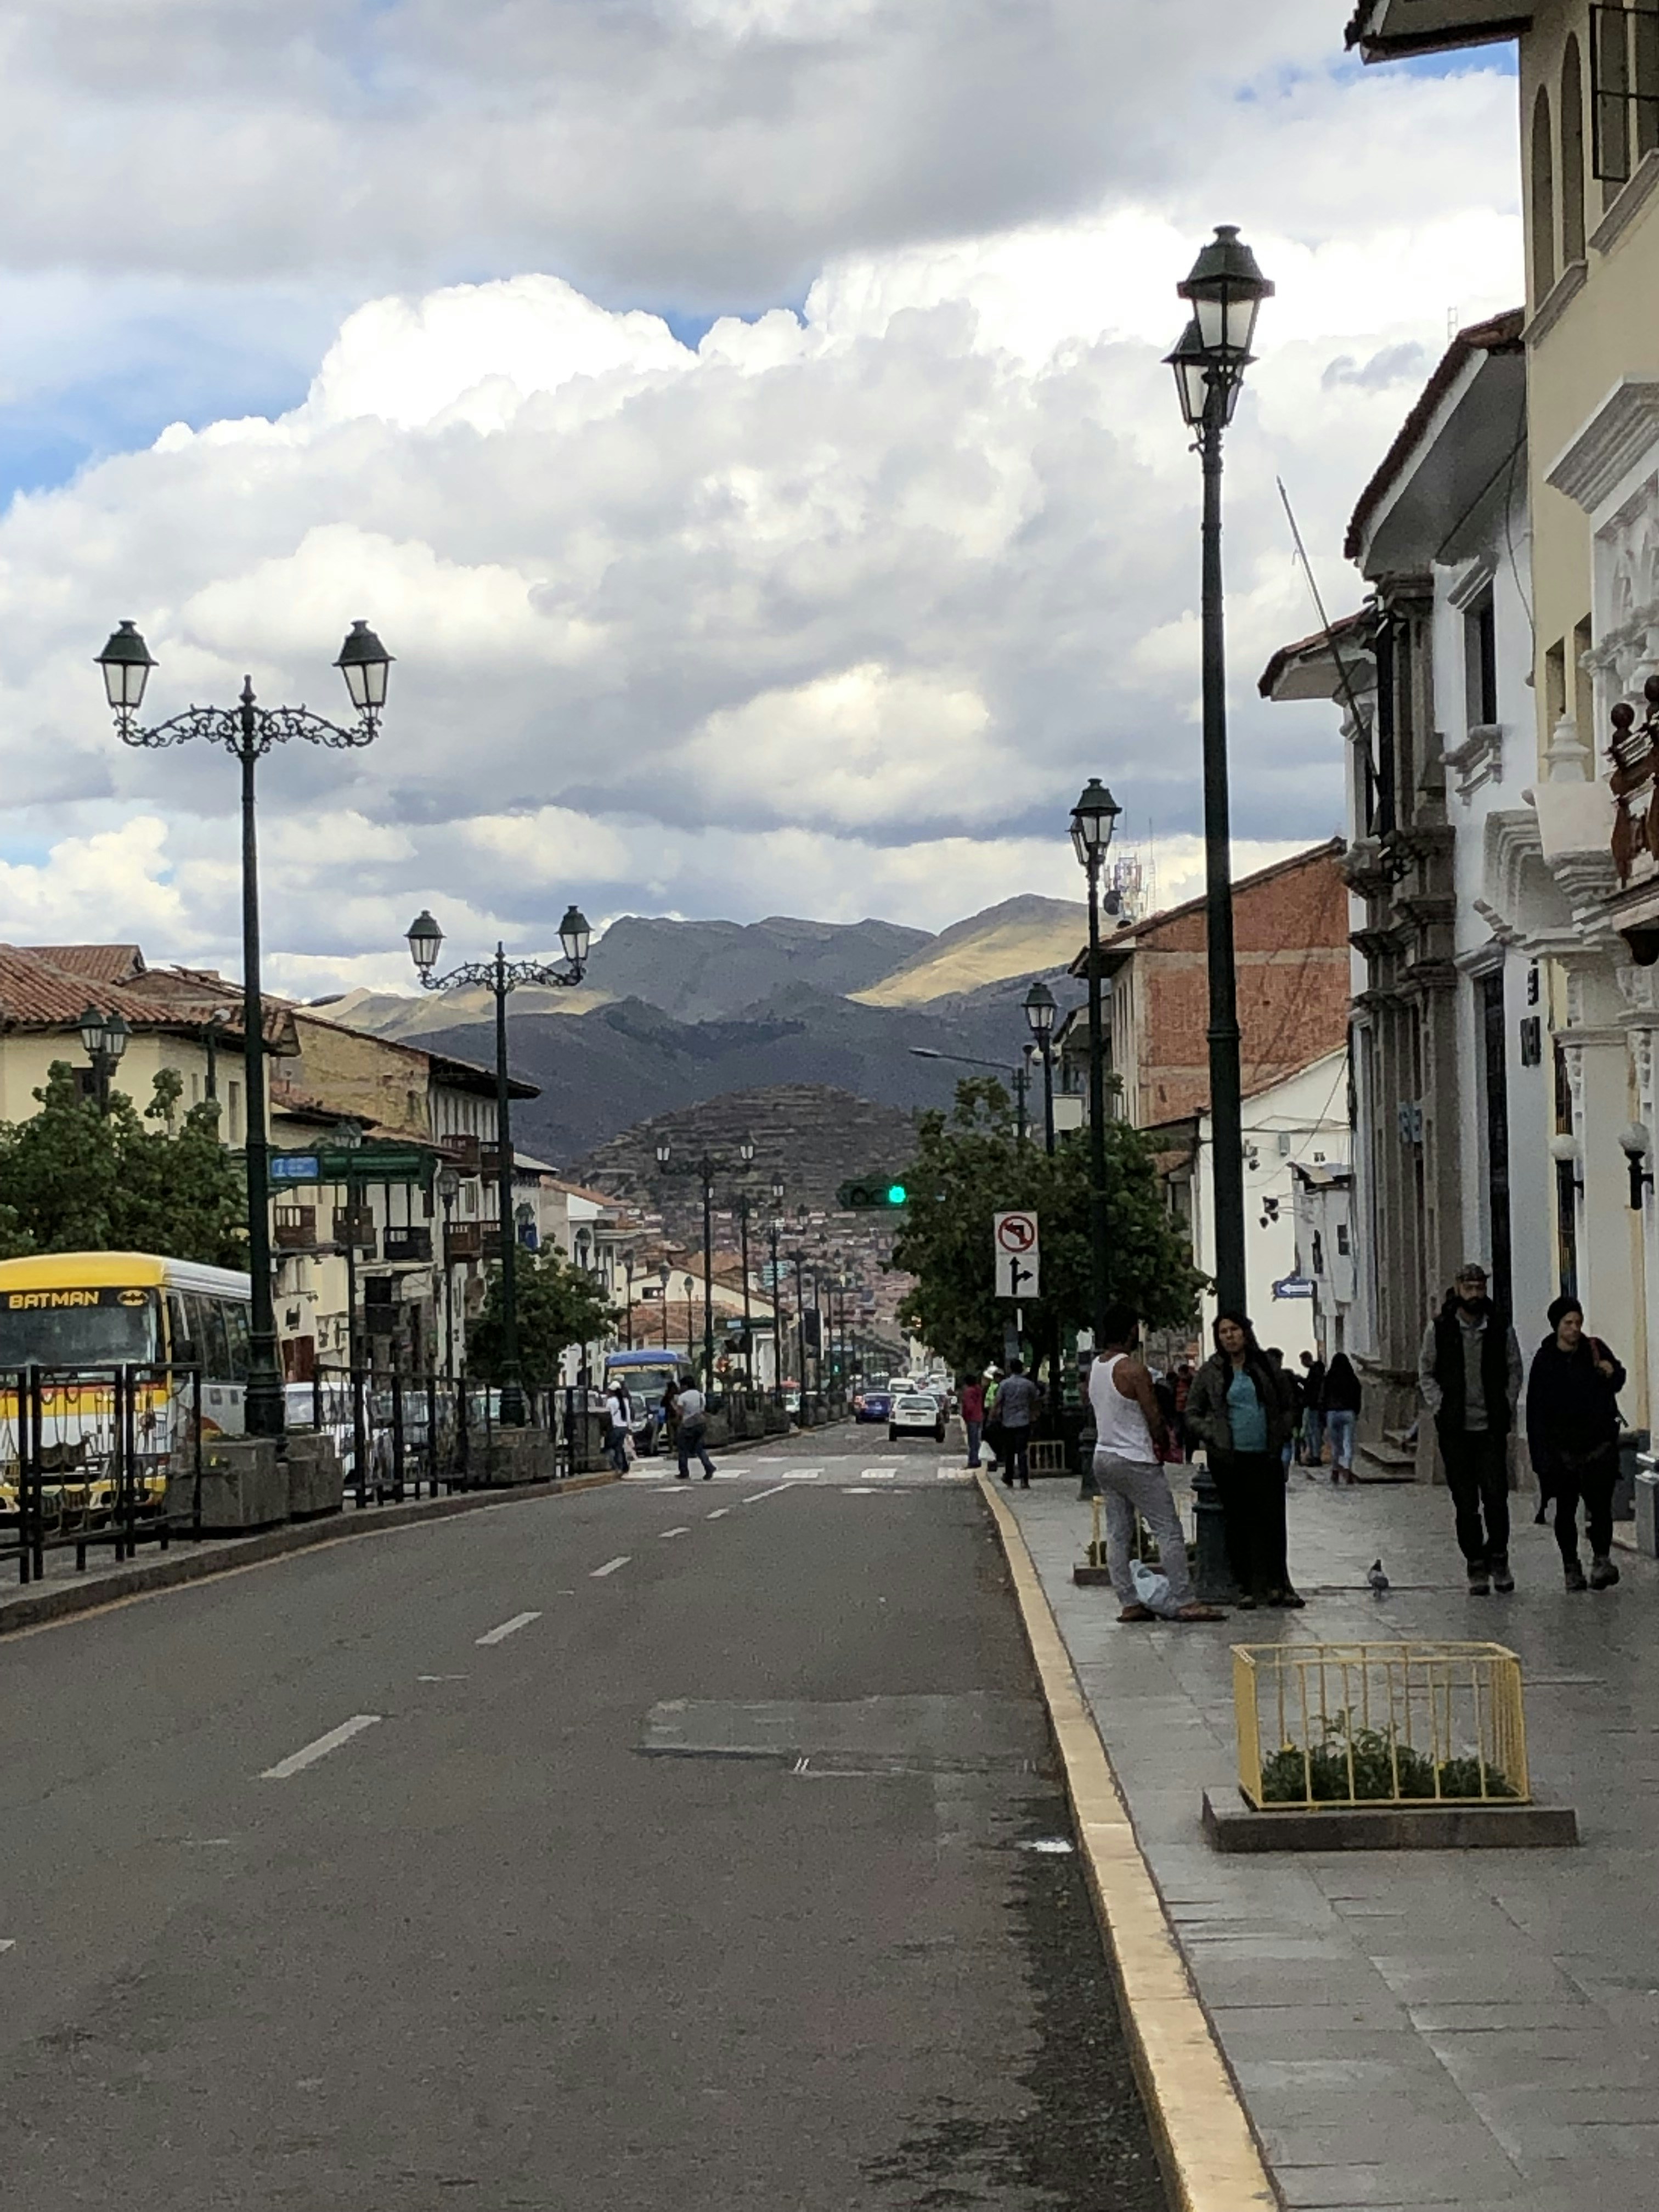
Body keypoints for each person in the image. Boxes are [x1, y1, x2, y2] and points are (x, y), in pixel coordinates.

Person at [1087, 1305, 1225, 1623]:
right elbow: (1153, 1415)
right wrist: (1164, 1442)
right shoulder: (1134, 1370)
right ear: (1131, 1331)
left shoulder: (1097, 1367)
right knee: (1168, 1529)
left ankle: (1128, 1601)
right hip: (1135, 1458)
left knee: (1119, 1532)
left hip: (1104, 1455)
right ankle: (1185, 1599)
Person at [1185, 1312, 1303, 1609]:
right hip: (1230, 1459)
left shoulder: (1265, 1366)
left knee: (1272, 1521)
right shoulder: (1211, 1372)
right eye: (1223, 1332)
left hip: (1267, 1455)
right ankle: (1247, 1586)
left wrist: (1283, 1430)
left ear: (1245, 1332)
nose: (1229, 1336)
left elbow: (1289, 1403)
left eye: (1234, 1330)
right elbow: (1192, 1411)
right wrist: (1212, 1434)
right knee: (1239, 1522)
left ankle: (1278, 1585)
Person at [1419, 1263, 1523, 1595]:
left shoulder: (1499, 1327)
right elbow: (1426, 1372)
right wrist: (1440, 1405)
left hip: (1490, 1428)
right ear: (1459, 1289)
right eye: (1469, 1288)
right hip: (1456, 1431)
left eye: (1480, 1288)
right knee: (1466, 1502)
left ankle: (1499, 1556)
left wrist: (1506, 1404)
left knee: (1496, 1497)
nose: (1475, 1295)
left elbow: (1514, 1368)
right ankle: (1475, 1563)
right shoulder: (1440, 1329)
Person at [1525, 1296, 1627, 1593]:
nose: (1574, 1329)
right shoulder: (1545, 1360)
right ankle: (1571, 1566)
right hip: (1562, 1452)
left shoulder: (1594, 1349)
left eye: (1577, 1323)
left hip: (1598, 1447)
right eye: (1568, 1323)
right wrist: (1541, 1458)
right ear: (1557, 1325)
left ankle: (1601, 1560)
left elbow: (1618, 1379)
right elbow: (1536, 1412)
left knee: (1600, 1508)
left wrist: (1612, 1373)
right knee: (1566, 1511)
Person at [994, 1361, 1040, 1489]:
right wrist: (1033, 1414)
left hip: (1008, 1422)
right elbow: (1036, 1400)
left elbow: (998, 1401)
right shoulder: (1029, 1385)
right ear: (1022, 1369)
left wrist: (994, 1415)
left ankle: (1009, 1477)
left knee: (1009, 1452)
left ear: (1010, 1369)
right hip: (1023, 1421)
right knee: (1022, 1451)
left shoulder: (1004, 1385)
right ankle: (1024, 1479)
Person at [1321, 1353, 1362, 1485]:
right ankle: (1347, 1470)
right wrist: (1356, 1412)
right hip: (1348, 1413)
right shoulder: (1352, 1378)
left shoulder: (1329, 1378)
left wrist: (1324, 1414)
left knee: (1335, 1445)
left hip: (1332, 1413)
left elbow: (1323, 1397)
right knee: (1348, 1444)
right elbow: (1358, 1395)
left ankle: (1335, 1471)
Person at [672, 1376, 716, 1480]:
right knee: (699, 1448)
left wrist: (675, 1409)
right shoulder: (701, 1395)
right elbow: (703, 1409)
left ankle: (684, 1471)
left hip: (688, 1425)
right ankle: (708, 1467)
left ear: (685, 1386)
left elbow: (680, 1413)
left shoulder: (682, 1397)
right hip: (700, 1424)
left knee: (682, 1449)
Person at [1298, 1350, 1327, 1468]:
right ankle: (1314, 1455)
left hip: (1314, 1406)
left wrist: (1301, 1381)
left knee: (1313, 1431)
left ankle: (1315, 1456)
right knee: (1313, 1431)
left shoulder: (1315, 1371)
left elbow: (1312, 1388)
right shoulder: (1316, 1371)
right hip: (1315, 1405)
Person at [604, 1379, 633, 1474]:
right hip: (623, 1427)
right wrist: (629, 1427)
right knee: (619, 1447)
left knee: (611, 1447)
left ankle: (617, 1466)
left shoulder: (611, 1401)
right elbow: (628, 1415)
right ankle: (622, 1466)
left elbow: (608, 1416)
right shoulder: (625, 1401)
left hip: (615, 1427)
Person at [958, 1373, 986, 1469]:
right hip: (979, 1416)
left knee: (972, 1441)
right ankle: (977, 1459)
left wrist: (965, 1416)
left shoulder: (969, 1392)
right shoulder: (979, 1390)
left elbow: (969, 1407)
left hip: (972, 1418)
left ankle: (973, 1461)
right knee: (976, 1440)